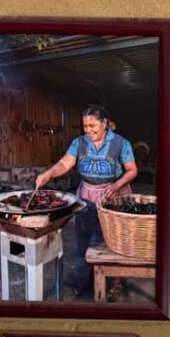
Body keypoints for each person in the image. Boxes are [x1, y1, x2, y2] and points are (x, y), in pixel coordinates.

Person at [36, 105, 138, 291]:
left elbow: (132, 170)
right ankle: (87, 279)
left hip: (110, 197)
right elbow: (64, 163)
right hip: (85, 195)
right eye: (85, 126)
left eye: (93, 126)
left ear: (105, 123)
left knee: (107, 241)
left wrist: (116, 185)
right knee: (83, 239)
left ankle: (113, 281)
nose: (88, 131)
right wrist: (49, 174)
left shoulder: (120, 143)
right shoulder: (79, 143)